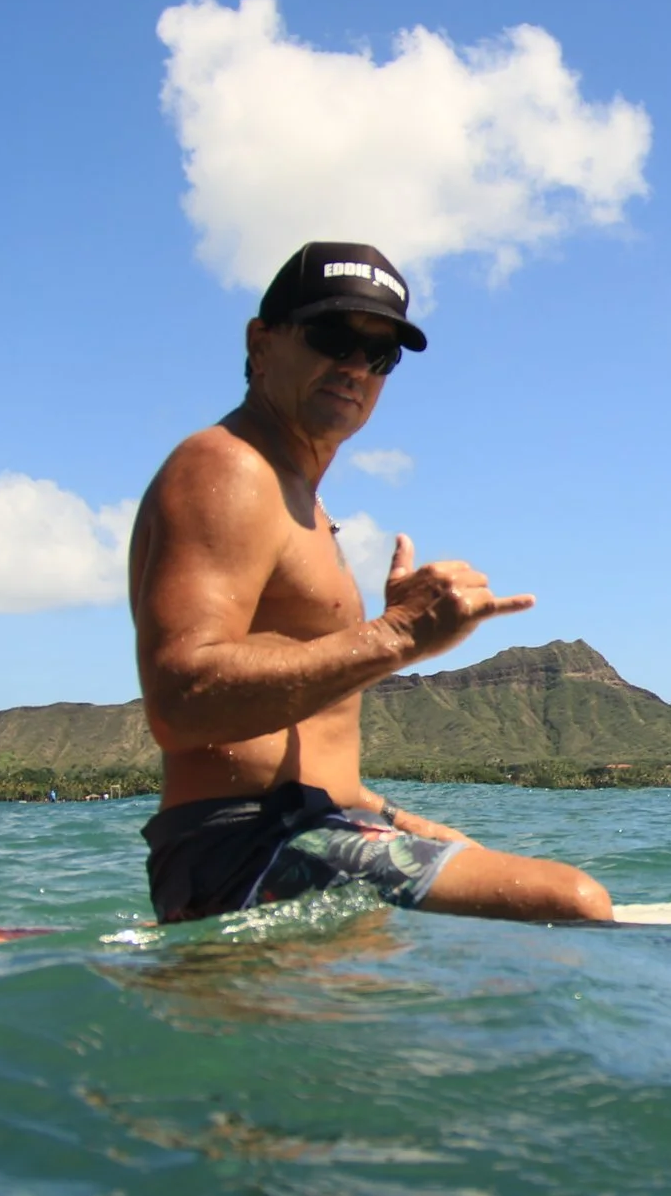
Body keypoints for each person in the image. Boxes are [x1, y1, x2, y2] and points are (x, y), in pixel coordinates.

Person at [128, 240, 612, 925]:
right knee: (572, 903)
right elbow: (181, 701)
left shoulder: (306, 506)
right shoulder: (230, 468)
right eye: (333, 337)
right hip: (245, 847)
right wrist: (398, 634)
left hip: (307, 829)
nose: (355, 366)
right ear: (260, 343)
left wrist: (412, 823)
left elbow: (320, 767)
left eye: (379, 355)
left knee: (505, 880)